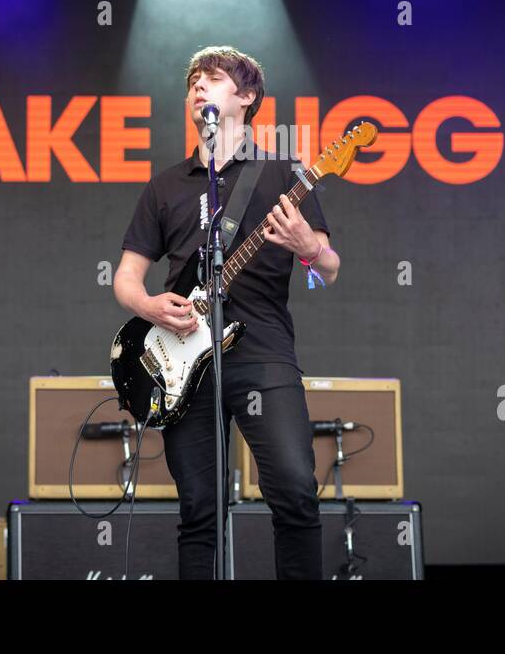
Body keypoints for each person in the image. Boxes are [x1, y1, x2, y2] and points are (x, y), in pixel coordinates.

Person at [113, 45, 340, 579]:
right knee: (198, 510)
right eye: (192, 79)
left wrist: (308, 245)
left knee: (294, 490)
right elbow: (126, 278)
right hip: (182, 360)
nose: (197, 86)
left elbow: (327, 270)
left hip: (261, 351)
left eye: (212, 78)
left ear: (247, 96)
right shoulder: (166, 185)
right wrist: (150, 304)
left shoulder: (283, 174)